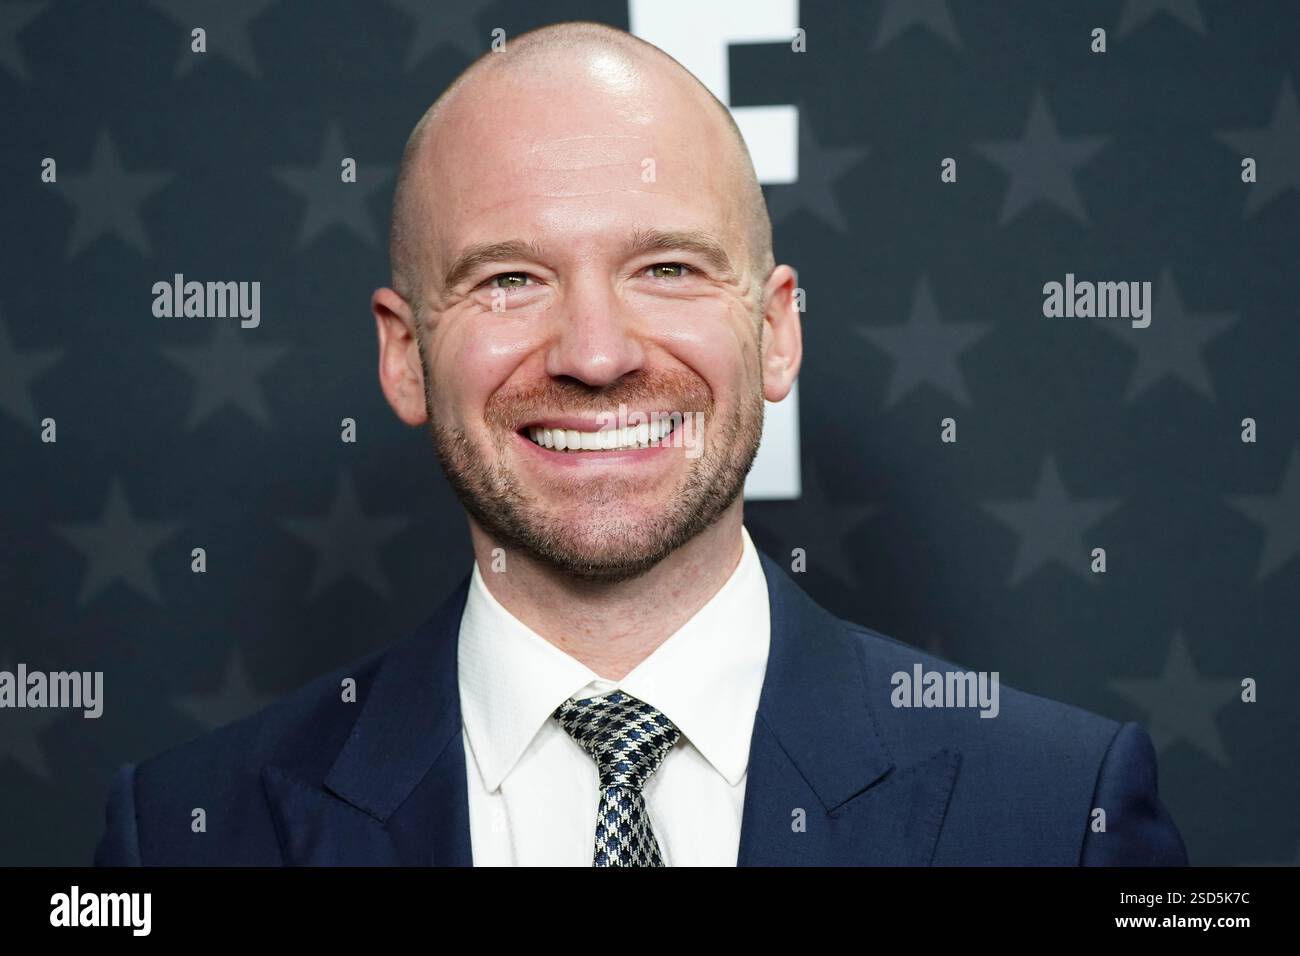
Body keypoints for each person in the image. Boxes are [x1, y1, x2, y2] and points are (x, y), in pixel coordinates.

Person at [94, 20, 1187, 867]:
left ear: (772, 330)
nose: (598, 352)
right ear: (403, 354)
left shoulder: (1060, 811)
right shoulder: (187, 831)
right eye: (510, 278)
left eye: (666, 267)